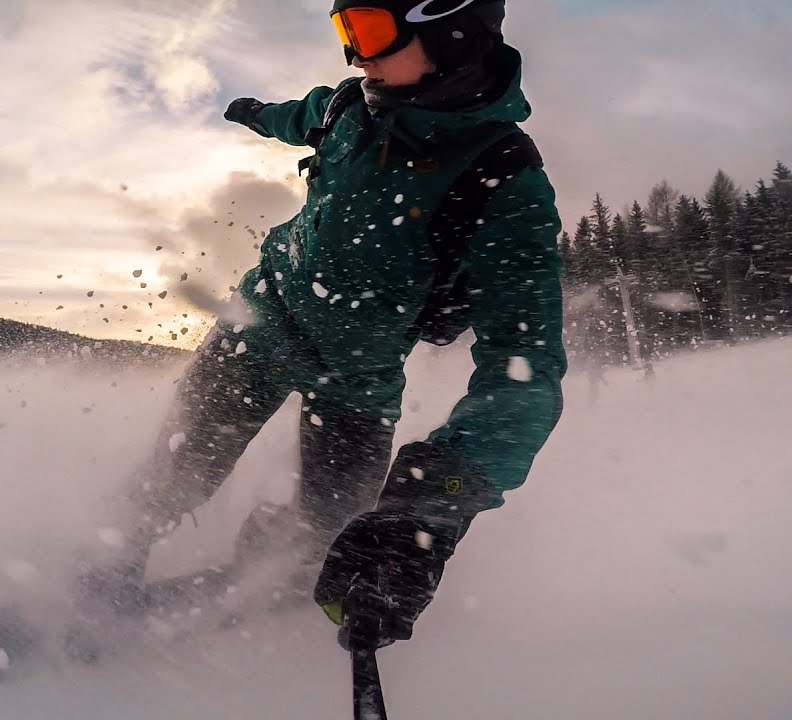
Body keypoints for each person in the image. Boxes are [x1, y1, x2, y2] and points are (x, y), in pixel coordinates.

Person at [75, 0, 567, 655]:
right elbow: (298, 115)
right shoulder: (348, 108)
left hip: (356, 382)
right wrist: (254, 113)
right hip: (257, 332)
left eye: (369, 30)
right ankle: (102, 577)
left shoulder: (502, 176)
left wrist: (437, 499)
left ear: (452, 31)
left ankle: (281, 554)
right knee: (170, 477)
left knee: (334, 531)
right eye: (345, 32)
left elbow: (525, 365)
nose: (357, 55)